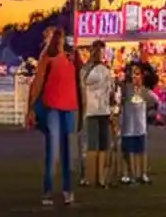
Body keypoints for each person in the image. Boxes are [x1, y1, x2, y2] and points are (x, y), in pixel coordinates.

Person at [26, 27, 81, 206]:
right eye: (57, 38)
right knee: (53, 151)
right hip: (53, 108)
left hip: (69, 108)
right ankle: (48, 190)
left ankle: (67, 190)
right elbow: (37, 83)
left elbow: (79, 80)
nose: (59, 41)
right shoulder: (47, 59)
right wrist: (31, 107)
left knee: (67, 153)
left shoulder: (71, 58)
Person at [80, 40, 115, 189]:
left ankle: (100, 178)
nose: (100, 54)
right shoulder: (86, 69)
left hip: (104, 111)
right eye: (98, 51)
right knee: (91, 146)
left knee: (103, 146)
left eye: (102, 51)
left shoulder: (105, 69)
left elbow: (110, 90)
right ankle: (90, 177)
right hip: (92, 111)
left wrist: (112, 109)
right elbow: (83, 86)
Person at [119, 63, 159, 185]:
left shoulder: (144, 91)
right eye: (133, 74)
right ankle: (129, 174)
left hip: (140, 126)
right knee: (128, 151)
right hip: (128, 126)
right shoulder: (126, 89)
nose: (135, 77)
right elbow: (118, 100)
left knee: (141, 150)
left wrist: (150, 111)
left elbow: (155, 101)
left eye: (137, 74)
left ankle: (142, 173)